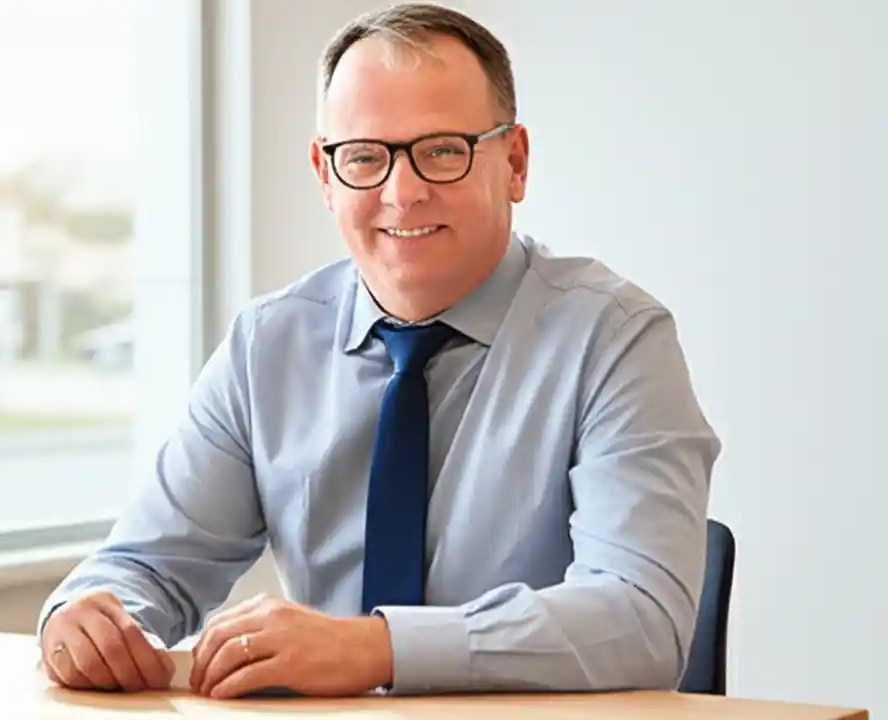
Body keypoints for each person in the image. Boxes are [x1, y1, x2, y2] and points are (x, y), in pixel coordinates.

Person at [38, 2, 719, 699]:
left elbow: (642, 621)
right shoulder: (267, 346)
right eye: (364, 156)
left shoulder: (616, 338)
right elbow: (147, 568)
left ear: (514, 163)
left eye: (443, 151)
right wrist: (85, 617)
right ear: (325, 175)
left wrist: (379, 648)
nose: (403, 192)